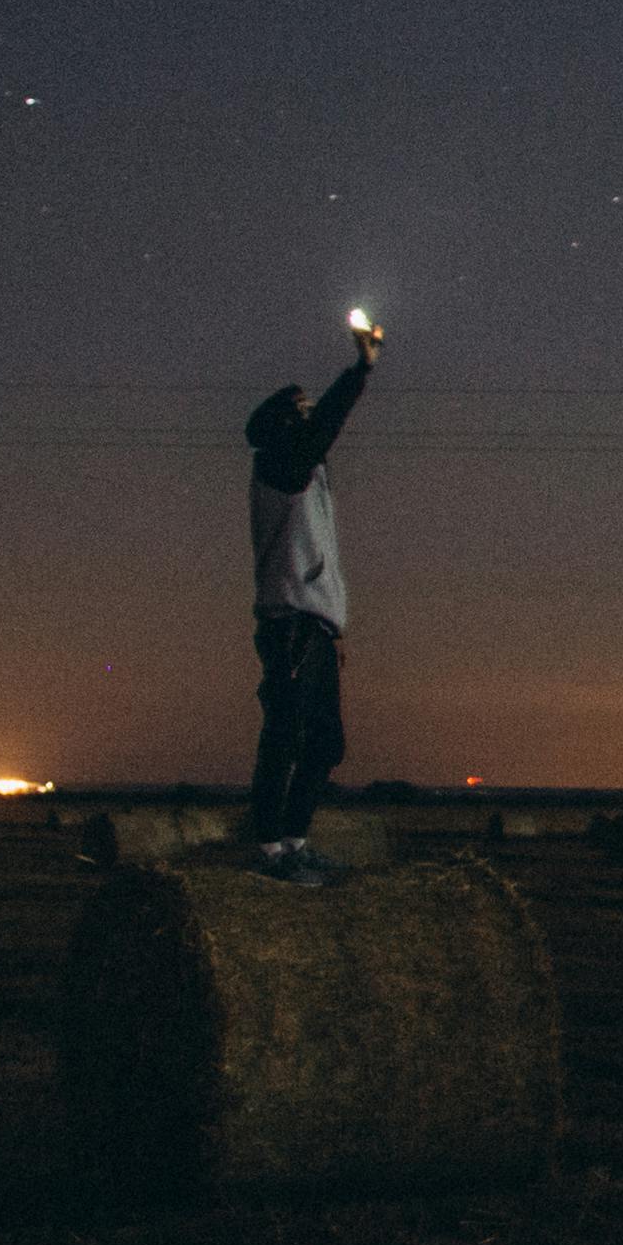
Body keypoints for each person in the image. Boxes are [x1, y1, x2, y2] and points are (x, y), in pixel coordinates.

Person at [241, 317, 382, 880]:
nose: (311, 411)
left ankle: (295, 842)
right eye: (301, 408)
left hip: (315, 628)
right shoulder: (280, 467)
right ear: (285, 425)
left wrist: (335, 628)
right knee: (285, 735)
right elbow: (323, 427)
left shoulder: (308, 473)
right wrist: (361, 370)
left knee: (324, 745)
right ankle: (271, 850)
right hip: (290, 625)